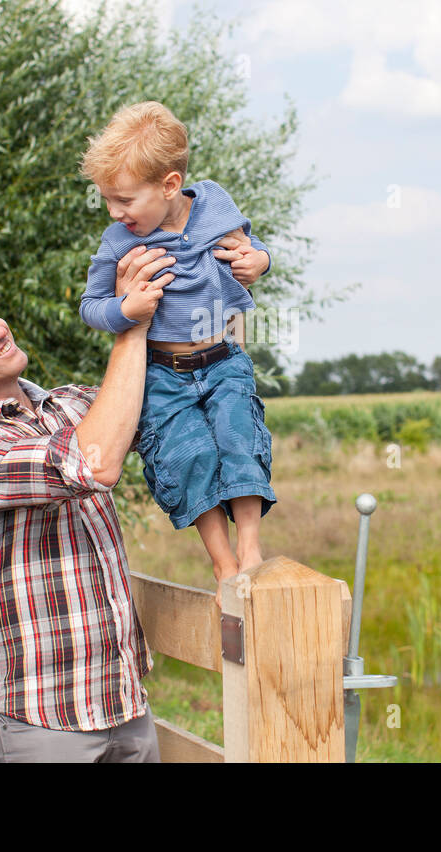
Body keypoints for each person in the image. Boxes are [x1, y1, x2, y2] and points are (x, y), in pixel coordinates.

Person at [0, 231, 247, 761]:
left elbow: (176, 403)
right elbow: (90, 463)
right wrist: (130, 323)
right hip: (38, 719)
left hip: (124, 704)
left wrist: (222, 270)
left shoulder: (72, 405)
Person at [78, 100, 275, 603]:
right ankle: (223, 562)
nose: (116, 213)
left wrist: (261, 261)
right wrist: (128, 308)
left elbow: (250, 249)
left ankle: (251, 549)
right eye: (107, 201)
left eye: (124, 200)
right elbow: (91, 306)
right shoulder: (118, 241)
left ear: (169, 185)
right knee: (189, 456)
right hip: (162, 372)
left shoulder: (212, 205)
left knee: (238, 439)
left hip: (223, 358)